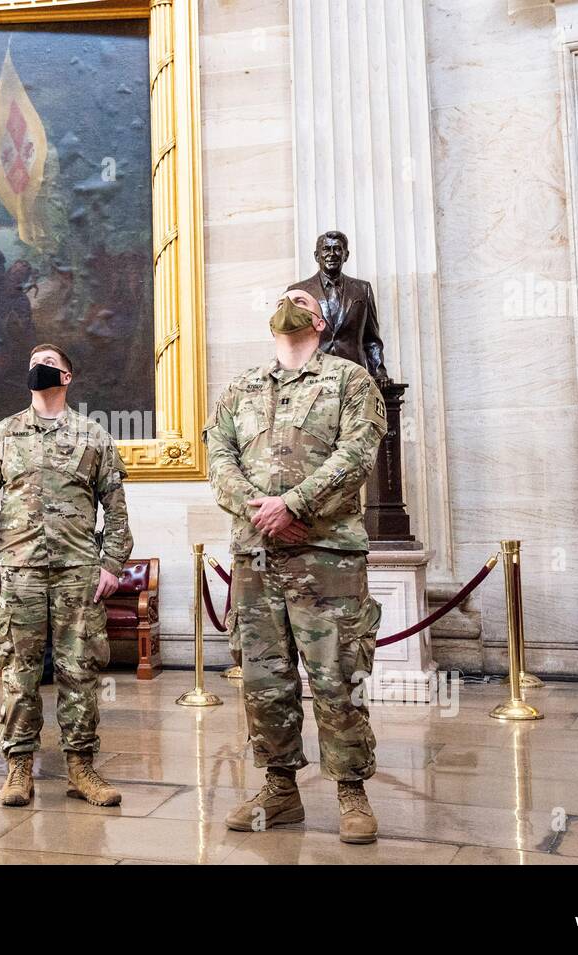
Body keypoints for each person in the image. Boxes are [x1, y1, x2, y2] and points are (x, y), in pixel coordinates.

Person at [204, 290, 387, 843]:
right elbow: (219, 459)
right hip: (256, 554)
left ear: (319, 319)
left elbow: (356, 456)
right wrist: (262, 513)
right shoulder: (240, 388)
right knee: (264, 677)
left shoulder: (352, 382)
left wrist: (295, 504)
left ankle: (351, 791)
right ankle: (280, 788)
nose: (289, 303)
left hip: (325, 555)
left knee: (336, 674)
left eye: (300, 299)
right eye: (282, 298)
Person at [0, 343, 133, 809]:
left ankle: (81, 767)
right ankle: (18, 768)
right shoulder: (2, 435)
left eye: (50, 363)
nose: (40, 368)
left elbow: (116, 513)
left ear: (68, 377)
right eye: (33, 362)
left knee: (81, 672)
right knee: (18, 672)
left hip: (78, 573)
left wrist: (111, 565)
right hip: (18, 575)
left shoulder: (93, 436)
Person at [286, 230, 389, 384]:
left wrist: (378, 372)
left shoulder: (362, 289)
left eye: (338, 249)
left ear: (346, 255)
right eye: (326, 249)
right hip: (312, 377)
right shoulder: (298, 291)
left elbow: (371, 339)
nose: (332, 254)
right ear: (316, 256)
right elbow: (290, 339)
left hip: (353, 376)